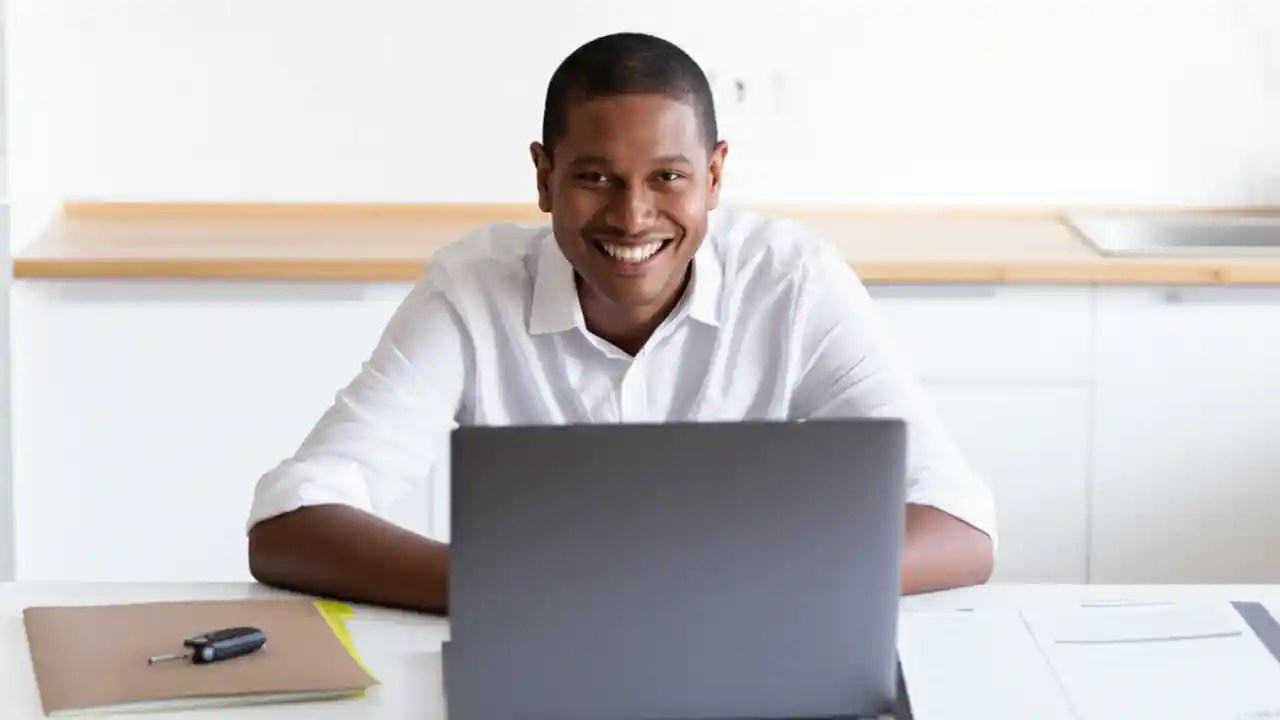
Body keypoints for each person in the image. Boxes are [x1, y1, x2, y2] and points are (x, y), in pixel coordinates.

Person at [246, 32, 996, 614]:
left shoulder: (793, 282)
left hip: (742, 653)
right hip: (537, 651)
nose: (633, 216)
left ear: (715, 176)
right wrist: (525, 594)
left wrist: (748, 587)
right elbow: (292, 518)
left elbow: (960, 527)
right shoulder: (471, 291)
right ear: (544, 178)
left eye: (668, 176)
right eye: (594, 177)